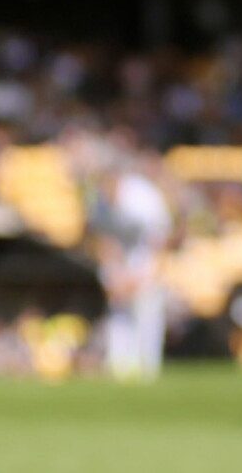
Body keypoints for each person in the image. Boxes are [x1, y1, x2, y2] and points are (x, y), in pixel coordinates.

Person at [96, 155, 173, 382]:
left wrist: (141, 275)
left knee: (147, 306)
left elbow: (160, 240)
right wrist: (113, 275)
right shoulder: (100, 202)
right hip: (122, 256)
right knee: (117, 307)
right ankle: (118, 364)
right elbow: (104, 239)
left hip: (147, 254)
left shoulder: (142, 199)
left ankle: (147, 366)